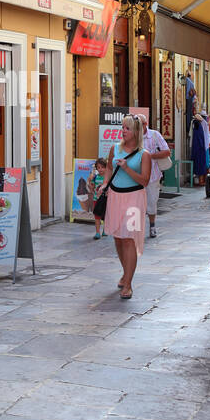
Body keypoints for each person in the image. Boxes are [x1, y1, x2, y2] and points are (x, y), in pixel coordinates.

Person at [106, 114, 151, 299]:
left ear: (136, 132)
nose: (123, 131)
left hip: (134, 198)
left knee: (129, 238)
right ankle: (125, 273)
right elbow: (109, 167)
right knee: (118, 237)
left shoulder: (144, 155)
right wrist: (104, 183)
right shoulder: (114, 148)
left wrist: (127, 168)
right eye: (122, 127)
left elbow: (145, 181)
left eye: (127, 128)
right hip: (115, 196)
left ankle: (129, 283)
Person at [138, 113, 171, 239]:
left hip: (152, 175)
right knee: (136, 204)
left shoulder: (154, 135)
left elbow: (167, 151)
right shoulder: (133, 136)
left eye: (139, 124)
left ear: (145, 124)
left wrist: (150, 156)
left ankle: (152, 226)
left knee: (151, 203)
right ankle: (137, 229)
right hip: (136, 175)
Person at [190, 112, 210, 187]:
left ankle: (201, 180)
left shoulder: (198, 125)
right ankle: (201, 180)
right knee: (201, 164)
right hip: (201, 147)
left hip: (199, 147)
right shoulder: (200, 125)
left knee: (200, 164)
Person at [90, 158, 108, 239]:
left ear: (106, 168)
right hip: (96, 200)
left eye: (102, 167)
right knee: (97, 216)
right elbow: (92, 187)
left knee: (105, 216)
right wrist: (90, 182)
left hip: (105, 200)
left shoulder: (108, 178)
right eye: (98, 167)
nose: (100, 169)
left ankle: (105, 230)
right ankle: (97, 232)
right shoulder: (95, 177)